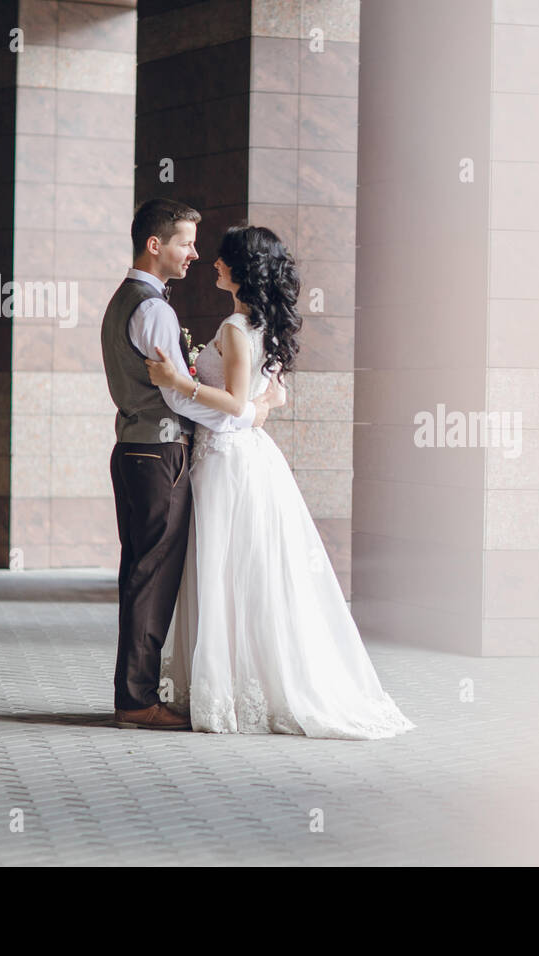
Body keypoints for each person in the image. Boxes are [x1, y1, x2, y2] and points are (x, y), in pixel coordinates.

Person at [145, 223, 415, 739]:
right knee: (253, 569)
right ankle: (254, 680)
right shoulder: (264, 325)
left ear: (242, 270)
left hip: (225, 461)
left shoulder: (233, 328)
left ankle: (226, 688)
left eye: (222, 259)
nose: (213, 263)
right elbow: (274, 398)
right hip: (250, 458)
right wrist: (259, 407)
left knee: (224, 567)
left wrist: (180, 382)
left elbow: (233, 402)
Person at [101, 199, 285, 730]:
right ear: (155, 245)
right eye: (186, 242)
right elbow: (180, 400)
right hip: (158, 452)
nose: (195, 254)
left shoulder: (126, 300)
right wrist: (251, 411)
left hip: (135, 448)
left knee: (142, 572)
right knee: (151, 576)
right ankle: (136, 701)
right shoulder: (154, 308)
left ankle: (134, 695)